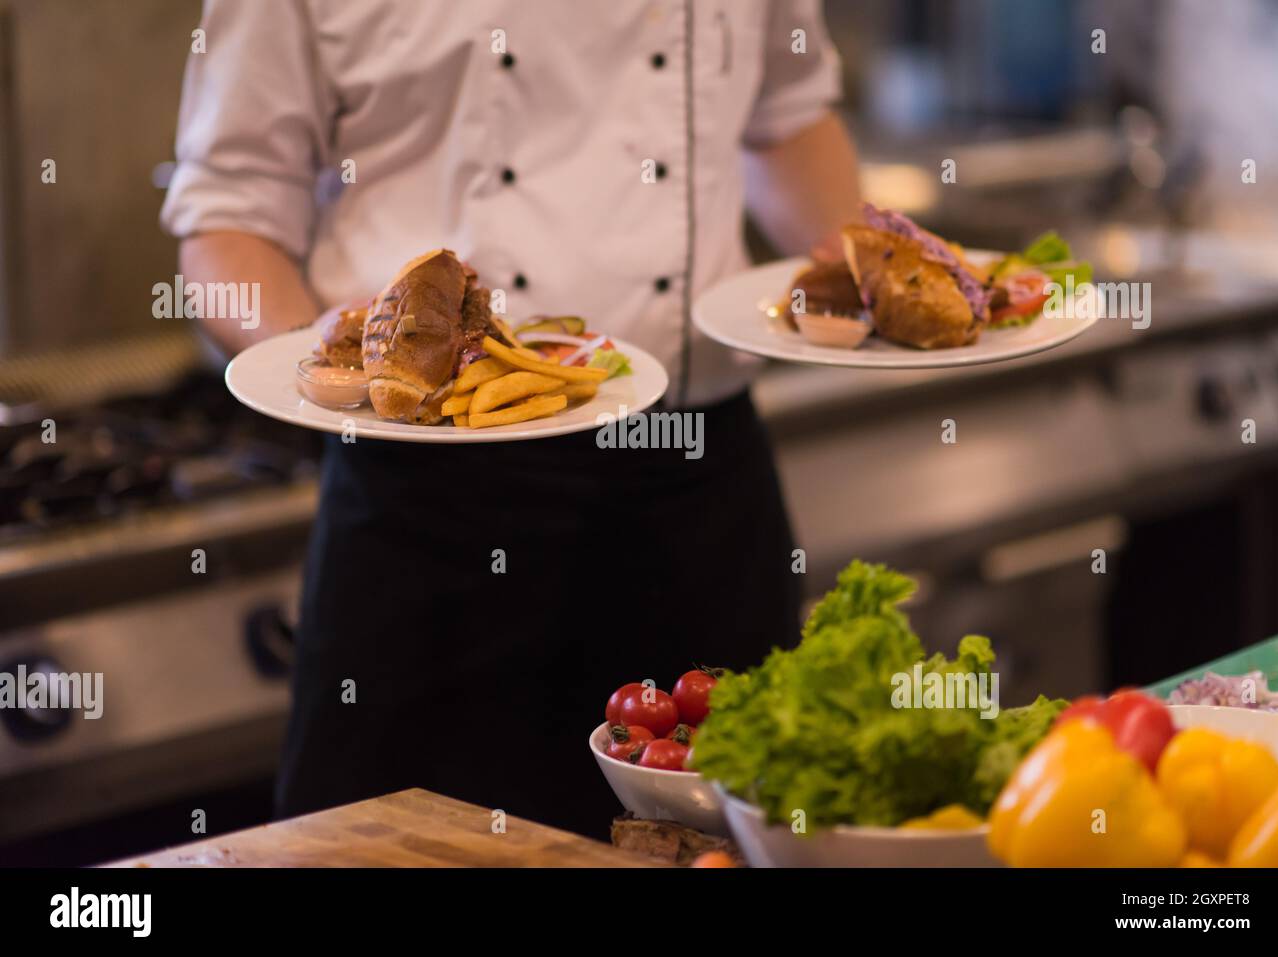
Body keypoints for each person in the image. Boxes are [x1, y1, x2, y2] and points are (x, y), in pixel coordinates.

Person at [163, 0, 861, 838]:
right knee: (390, 854)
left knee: (721, 846)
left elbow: (788, 119)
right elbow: (227, 215)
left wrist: (871, 268)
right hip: (428, 508)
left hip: (699, 495)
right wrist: (319, 353)